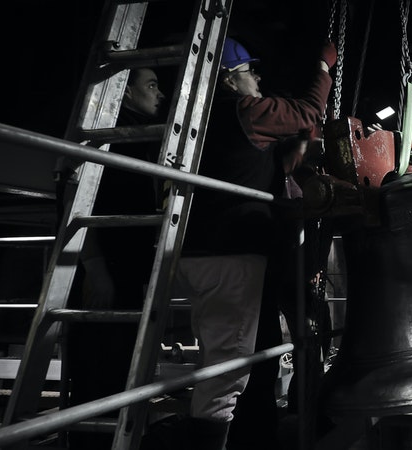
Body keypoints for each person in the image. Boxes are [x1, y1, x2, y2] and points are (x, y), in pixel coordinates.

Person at [168, 36, 337, 450]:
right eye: (248, 72)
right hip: (231, 255)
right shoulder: (245, 110)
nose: (257, 78)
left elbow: (250, 163)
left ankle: (253, 437)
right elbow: (307, 110)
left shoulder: (203, 122)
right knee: (228, 369)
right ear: (228, 79)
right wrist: (323, 67)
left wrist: (293, 148)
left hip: (206, 251)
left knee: (256, 354)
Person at [65, 67, 166, 449]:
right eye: (151, 85)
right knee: (99, 373)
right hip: (106, 271)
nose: (161, 93)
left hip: (125, 270)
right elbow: (74, 202)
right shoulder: (106, 134)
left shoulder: (136, 136)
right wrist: (95, 268)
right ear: (124, 92)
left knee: (121, 370)